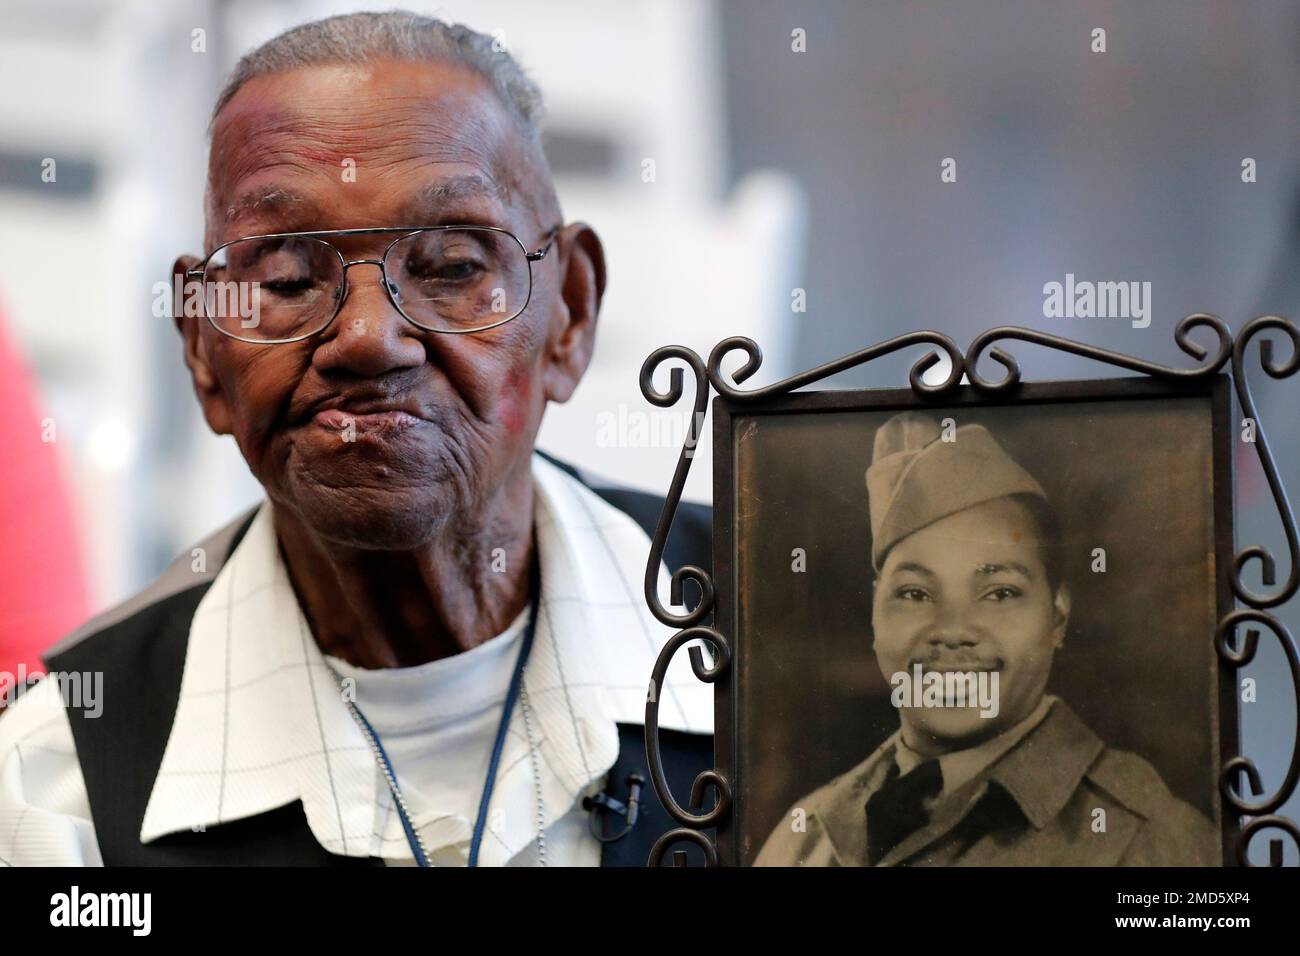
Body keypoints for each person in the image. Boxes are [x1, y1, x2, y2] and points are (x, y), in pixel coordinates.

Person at [0, 11, 712, 867]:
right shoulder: (56, 787)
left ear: (571, 313)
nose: (369, 338)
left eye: (452, 266)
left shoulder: (804, 636)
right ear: (201, 347)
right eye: (288, 277)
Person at [755, 411, 1220, 866]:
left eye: (999, 593)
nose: (953, 630)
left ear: (1057, 617)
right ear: (877, 612)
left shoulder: (1148, 843)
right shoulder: (802, 839)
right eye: (915, 593)